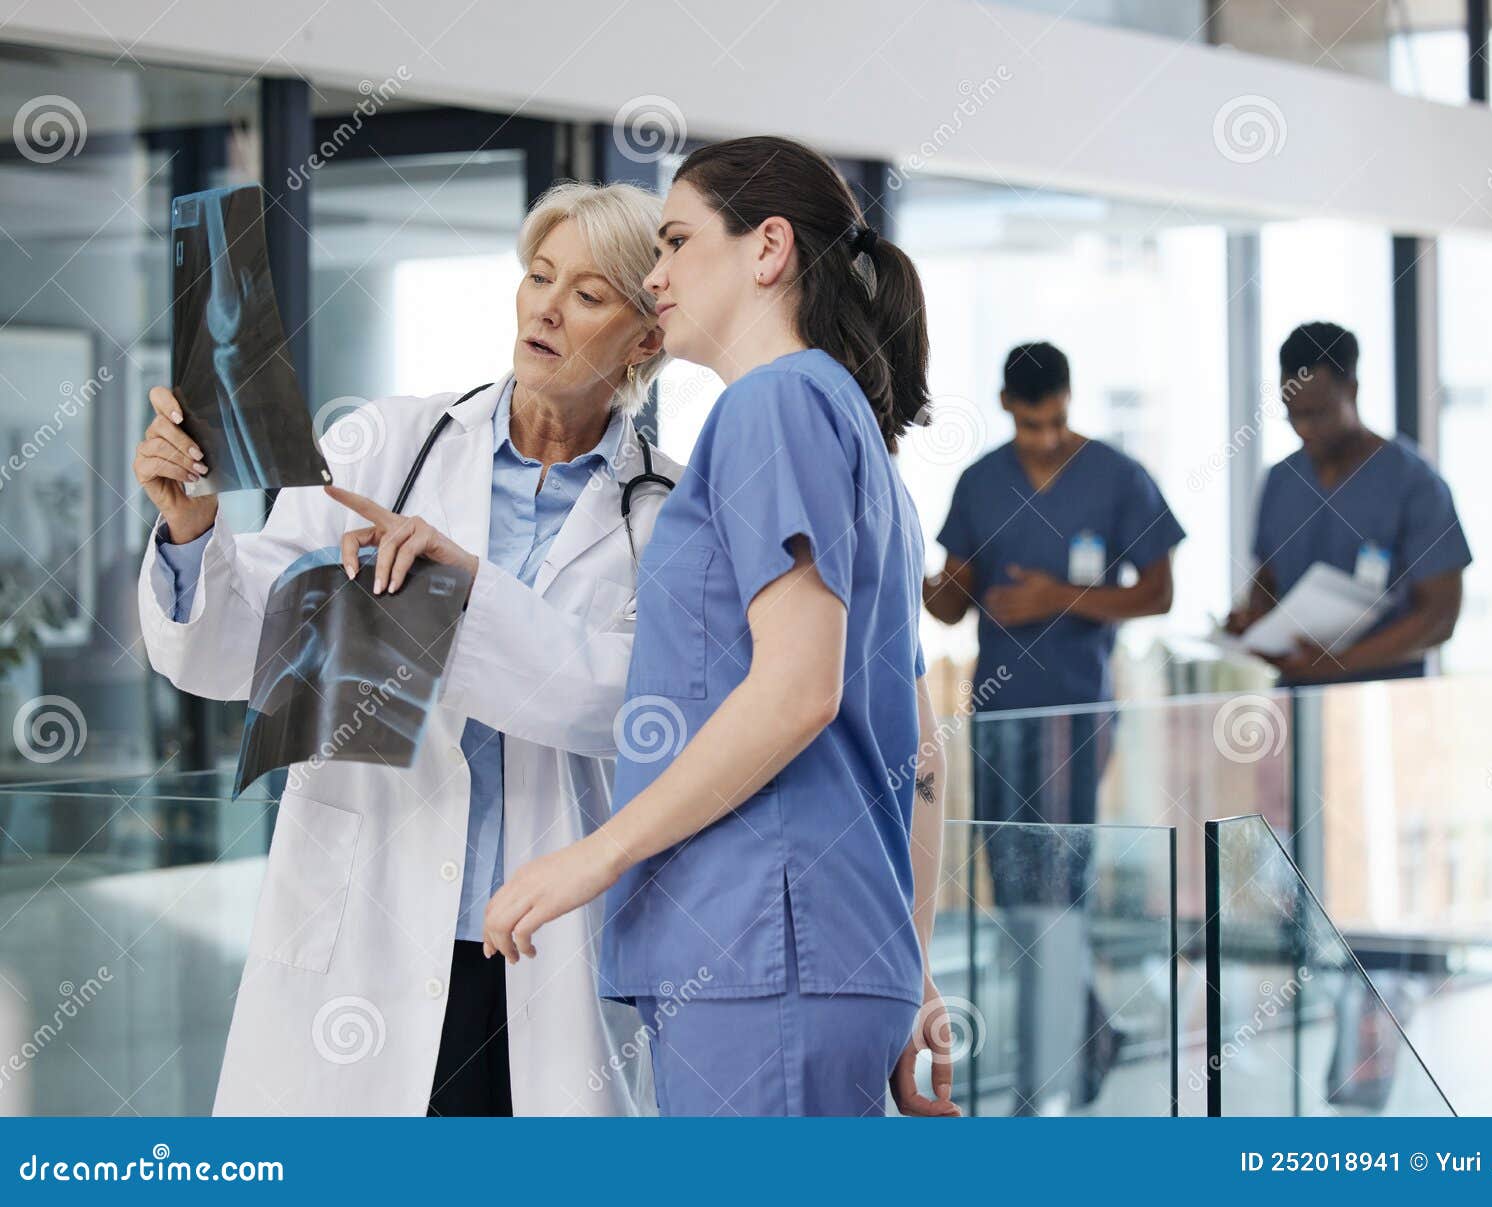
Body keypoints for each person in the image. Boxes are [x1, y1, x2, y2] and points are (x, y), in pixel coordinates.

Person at [133, 181, 679, 1116]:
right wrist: (191, 536)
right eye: (539, 276)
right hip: (362, 933)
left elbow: (633, 710)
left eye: (588, 294)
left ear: (646, 338)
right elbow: (234, 649)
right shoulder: (387, 442)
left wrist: (459, 595)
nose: (546, 306)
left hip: (542, 955)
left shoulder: (667, 511)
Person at [478, 135, 960, 1118]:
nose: (654, 277)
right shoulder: (847, 423)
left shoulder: (772, 405)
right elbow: (923, 754)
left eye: (676, 241)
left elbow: (795, 690)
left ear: (767, 249)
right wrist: (904, 966)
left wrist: (595, 854)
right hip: (819, 955)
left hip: (756, 947)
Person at [922, 339, 1185, 1111]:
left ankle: (1059, 1069)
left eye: (1058, 421)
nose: (1046, 438)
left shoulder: (1114, 476)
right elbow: (948, 602)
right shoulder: (981, 483)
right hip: (1002, 714)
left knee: (1061, 880)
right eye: (1032, 423)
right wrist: (929, 576)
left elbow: (1160, 592)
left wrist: (1057, 601)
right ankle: (1089, 1029)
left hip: (1077, 711)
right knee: (1011, 890)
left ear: (1071, 403)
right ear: (1008, 408)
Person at [1226, 322, 1471, 685]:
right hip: (1298, 699)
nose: (1304, 428)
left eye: (1318, 413)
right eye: (1293, 413)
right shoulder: (1281, 481)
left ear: (1352, 391)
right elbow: (1268, 579)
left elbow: (1440, 615)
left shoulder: (1413, 483)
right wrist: (1252, 619)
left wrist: (1338, 663)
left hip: (1387, 702)